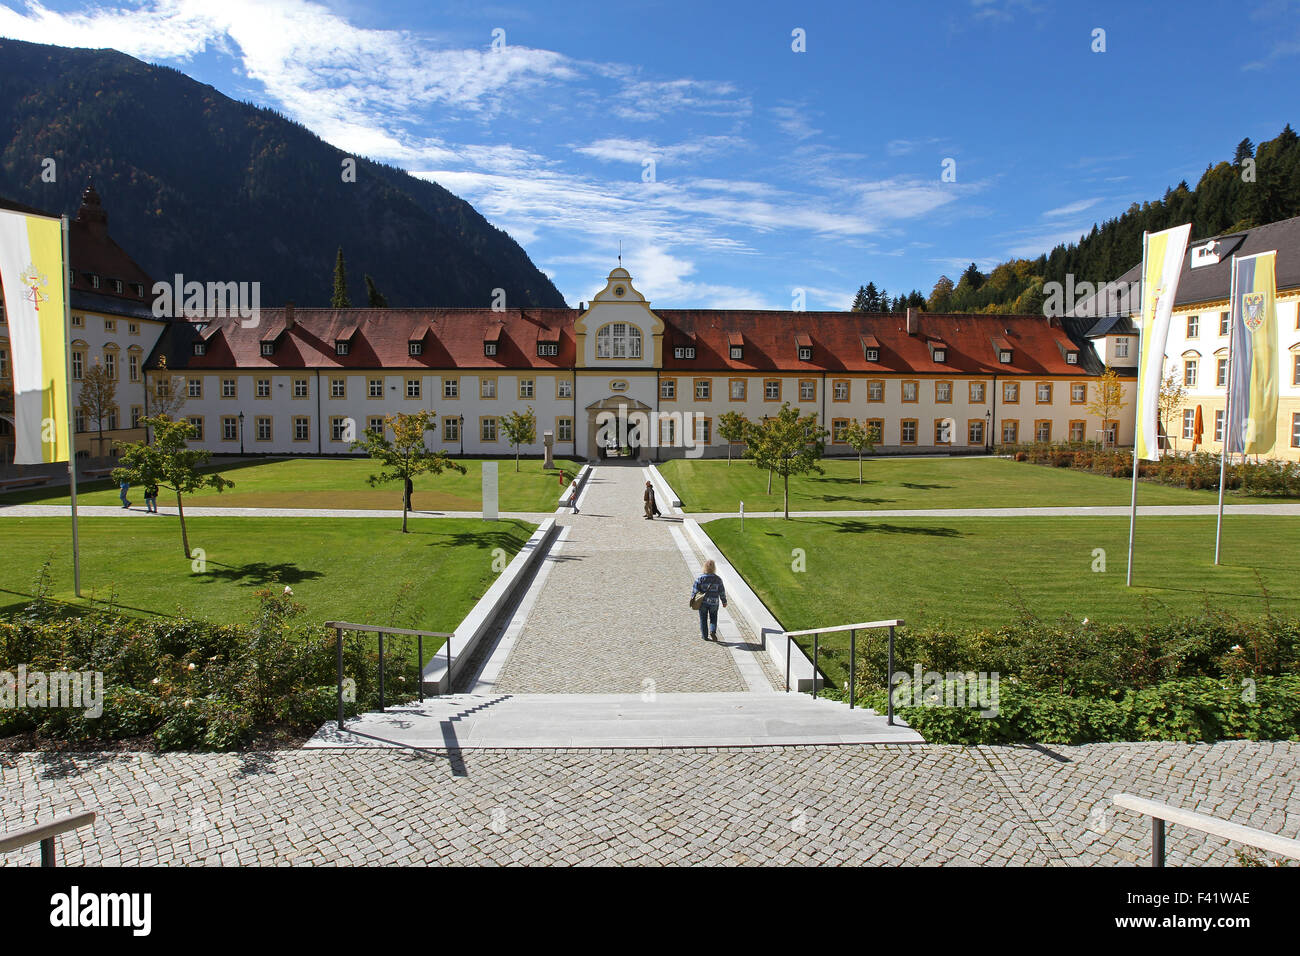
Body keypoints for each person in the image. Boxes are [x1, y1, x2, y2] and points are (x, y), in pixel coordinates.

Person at [690, 559, 727, 641]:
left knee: (703, 618)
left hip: (703, 602)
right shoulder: (718, 579)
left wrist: (693, 600)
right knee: (713, 617)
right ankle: (713, 631)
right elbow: (722, 592)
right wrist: (724, 601)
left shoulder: (700, 578)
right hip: (714, 602)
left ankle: (705, 635)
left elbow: (695, 590)